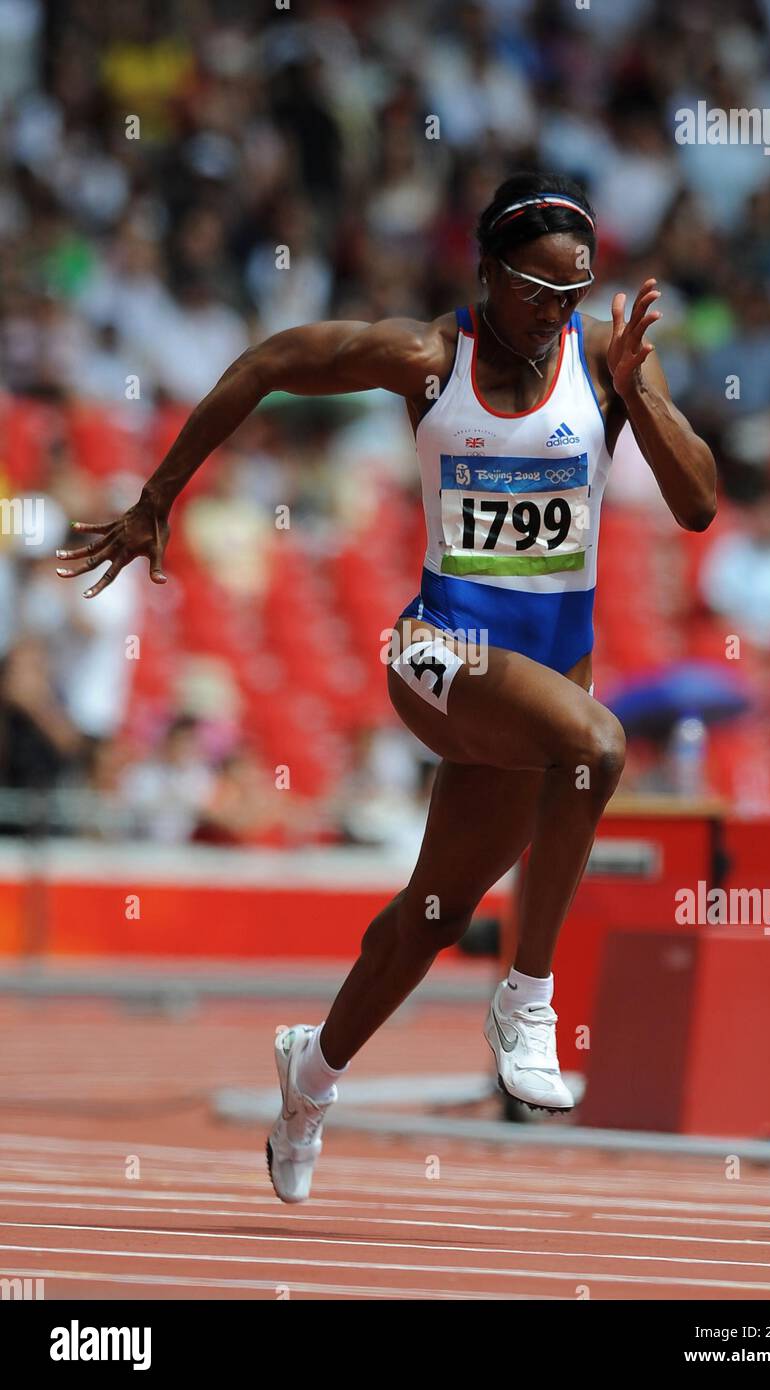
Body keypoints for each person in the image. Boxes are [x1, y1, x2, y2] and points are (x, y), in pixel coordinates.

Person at [55, 172, 717, 1202]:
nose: (558, 315)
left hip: (534, 686)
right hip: (434, 651)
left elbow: (698, 505)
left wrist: (642, 393)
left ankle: (308, 1080)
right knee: (597, 746)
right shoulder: (425, 358)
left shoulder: (604, 360)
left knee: (432, 914)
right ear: (488, 275)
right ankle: (528, 998)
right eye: (540, 293)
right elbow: (272, 361)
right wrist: (156, 496)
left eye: (574, 296)